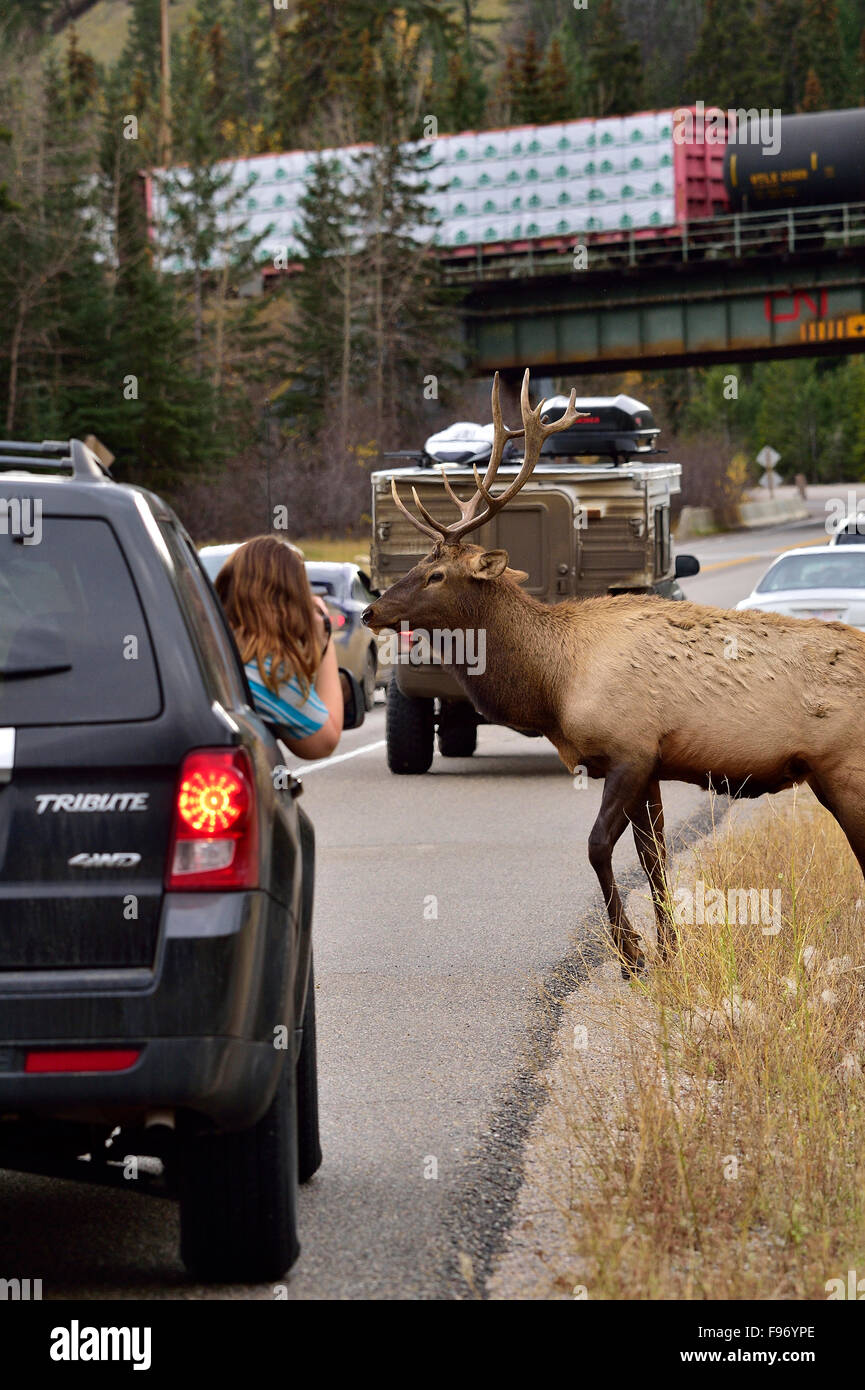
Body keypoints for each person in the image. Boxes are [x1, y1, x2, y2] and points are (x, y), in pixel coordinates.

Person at [215, 536, 343, 760]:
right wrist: (324, 637)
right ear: (290, 605)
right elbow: (325, 741)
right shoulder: (268, 674)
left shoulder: (208, 647)